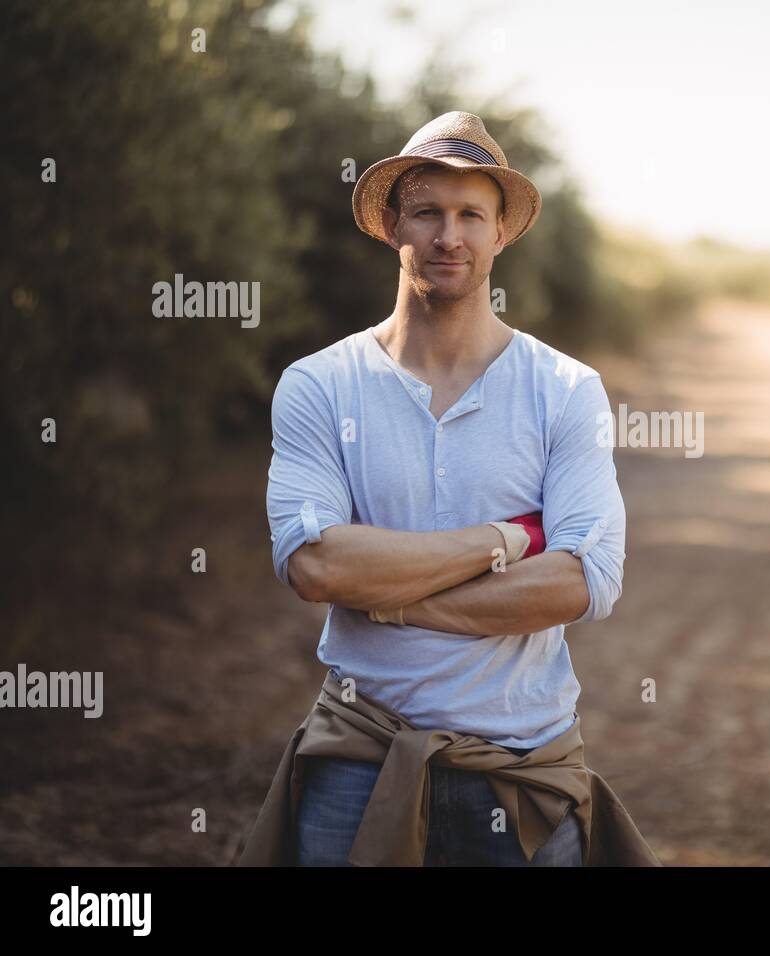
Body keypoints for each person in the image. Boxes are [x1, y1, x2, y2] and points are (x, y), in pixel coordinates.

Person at [258, 111, 636, 867]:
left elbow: (582, 580)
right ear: (391, 222)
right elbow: (318, 568)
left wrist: (388, 596)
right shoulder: (319, 386)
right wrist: (506, 541)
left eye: (472, 215)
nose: (448, 237)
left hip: (521, 767)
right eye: (427, 211)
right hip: (359, 758)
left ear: (503, 234)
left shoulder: (565, 389)